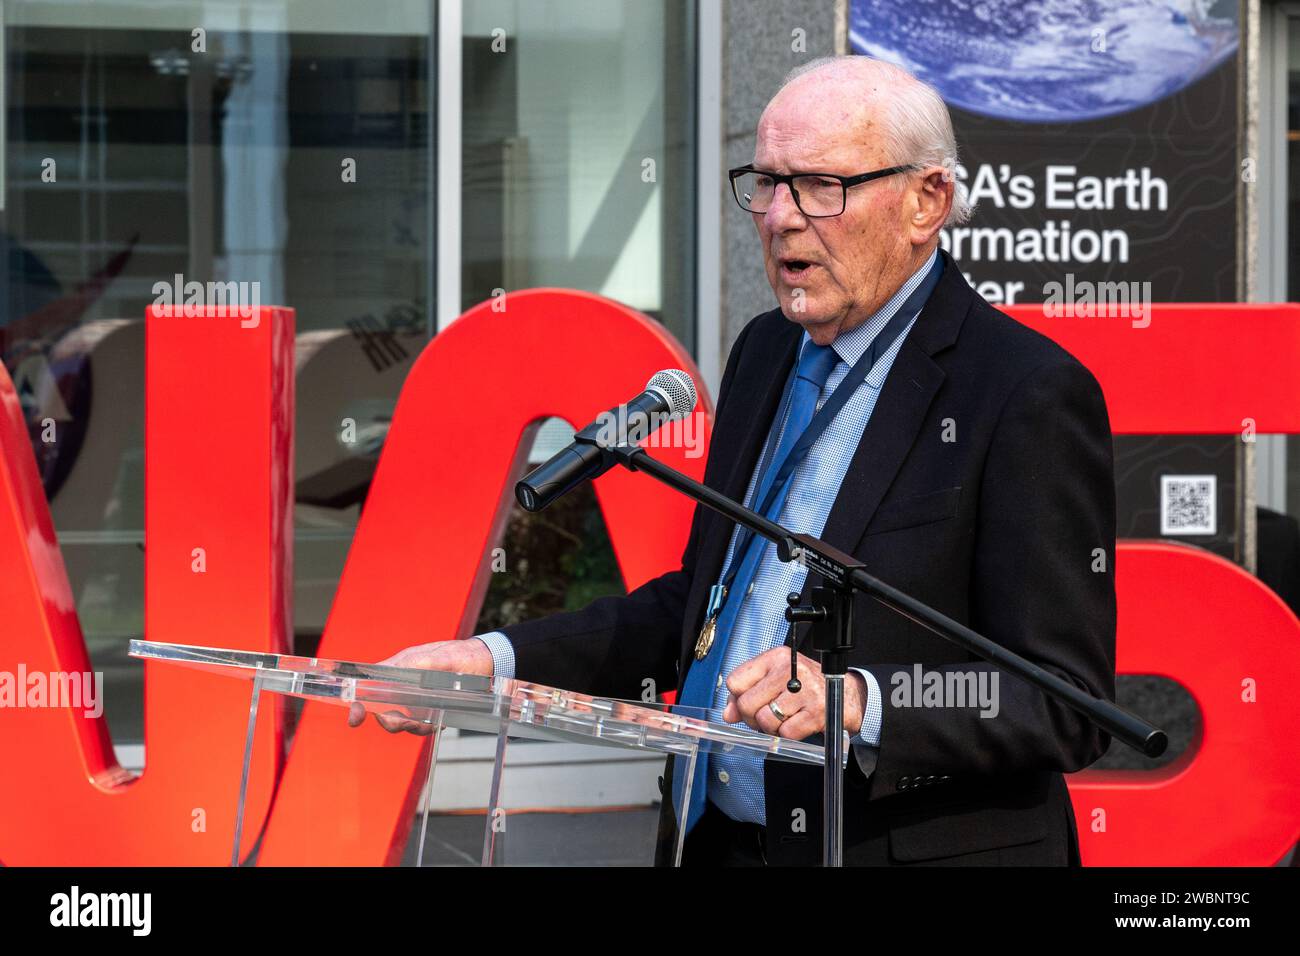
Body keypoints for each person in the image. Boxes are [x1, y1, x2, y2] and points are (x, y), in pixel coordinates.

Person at [348, 54, 1117, 867]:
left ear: (926, 201)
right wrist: (489, 661)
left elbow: (1066, 701)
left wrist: (860, 701)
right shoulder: (765, 352)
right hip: (719, 844)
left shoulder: (1025, 391)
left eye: (821, 185)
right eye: (768, 182)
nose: (781, 216)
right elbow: (700, 609)